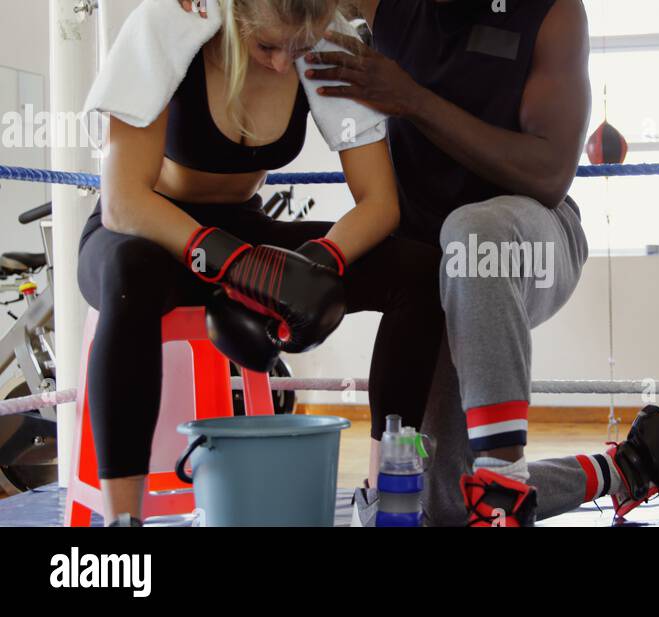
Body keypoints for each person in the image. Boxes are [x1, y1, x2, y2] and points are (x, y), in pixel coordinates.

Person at [304, 0, 659, 525]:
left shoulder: (552, 13)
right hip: (437, 274)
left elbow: (550, 175)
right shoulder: (385, 7)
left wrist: (413, 100)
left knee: (472, 233)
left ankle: (503, 483)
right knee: (440, 502)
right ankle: (632, 466)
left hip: (533, 239)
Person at [81, 0, 443, 526]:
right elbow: (124, 203)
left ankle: (389, 496)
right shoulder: (170, 25)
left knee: (416, 269)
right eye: (267, 45)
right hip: (149, 231)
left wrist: (318, 262)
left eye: (296, 47)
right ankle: (122, 522)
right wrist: (235, 264)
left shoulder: (330, 41)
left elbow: (379, 204)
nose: (282, 63)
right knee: (129, 274)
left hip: (243, 230)